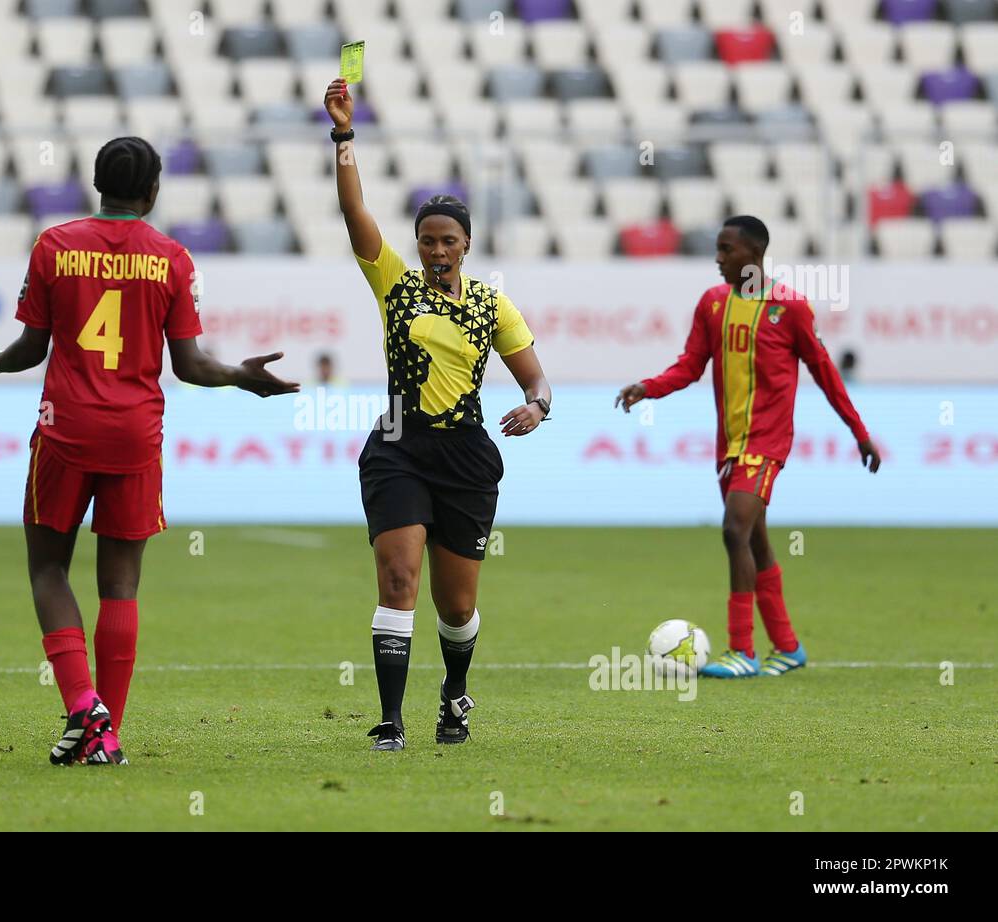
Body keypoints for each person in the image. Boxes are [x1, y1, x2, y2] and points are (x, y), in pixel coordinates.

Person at [0, 137, 298, 765]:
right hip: (135, 434)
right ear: (153, 192)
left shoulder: (54, 246)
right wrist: (242, 377)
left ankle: (84, 707)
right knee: (121, 586)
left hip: (65, 429)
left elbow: (29, 350)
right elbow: (190, 366)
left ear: (95, 183)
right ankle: (106, 739)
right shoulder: (171, 258)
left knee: (47, 569)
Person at [324, 78, 553, 751]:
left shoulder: (492, 305)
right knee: (398, 579)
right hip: (397, 447)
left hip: (466, 456)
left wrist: (537, 407)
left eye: (448, 240)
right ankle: (390, 721)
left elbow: (536, 378)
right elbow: (354, 211)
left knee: (456, 607)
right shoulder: (393, 284)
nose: (436, 250)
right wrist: (343, 134)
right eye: (427, 240)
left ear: (466, 244)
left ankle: (454, 697)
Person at [616, 216, 880, 678]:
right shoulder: (713, 304)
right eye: (717, 249)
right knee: (755, 541)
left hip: (767, 441)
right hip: (729, 445)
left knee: (733, 531)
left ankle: (743, 650)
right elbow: (690, 366)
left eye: (726, 249)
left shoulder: (789, 308)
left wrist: (859, 432)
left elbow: (825, 373)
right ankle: (789, 646)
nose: (718, 258)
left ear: (755, 254)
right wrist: (649, 387)